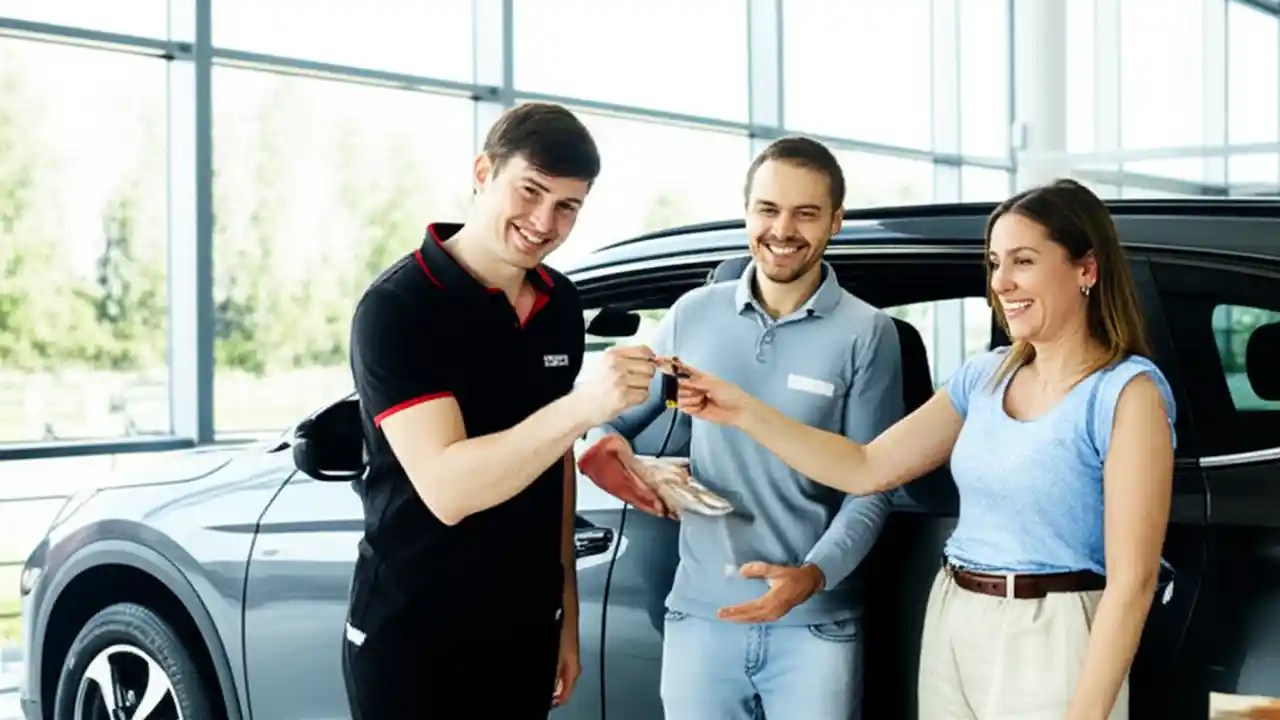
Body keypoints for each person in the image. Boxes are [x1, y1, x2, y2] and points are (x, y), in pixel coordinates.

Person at [673, 178, 1177, 720]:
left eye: (1023, 261)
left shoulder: (1127, 393)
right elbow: (867, 467)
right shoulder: (985, 375)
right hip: (955, 616)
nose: (1002, 283)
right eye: (994, 263)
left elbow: (1132, 584)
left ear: (1086, 269)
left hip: (1052, 633)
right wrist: (741, 409)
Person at [342, 102, 657, 719]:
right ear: (483, 172)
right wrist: (584, 405)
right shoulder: (398, 309)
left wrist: (564, 612)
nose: (545, 221)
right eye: (531, 191)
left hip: (523, 630)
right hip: (414, 635)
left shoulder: (560, 302)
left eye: (568, 205)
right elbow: (449, 488)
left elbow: (554, 463)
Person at [584, 136, 904, 719]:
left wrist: (813, 575)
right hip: (700, 620)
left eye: (806, 213)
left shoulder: (868, 332)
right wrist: (607, 444)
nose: (783, 230)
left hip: (815, 624)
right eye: (768, 210)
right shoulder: (693, 314)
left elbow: (872, 484)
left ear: (836, 221)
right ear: (748, 212)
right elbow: (617, 417)